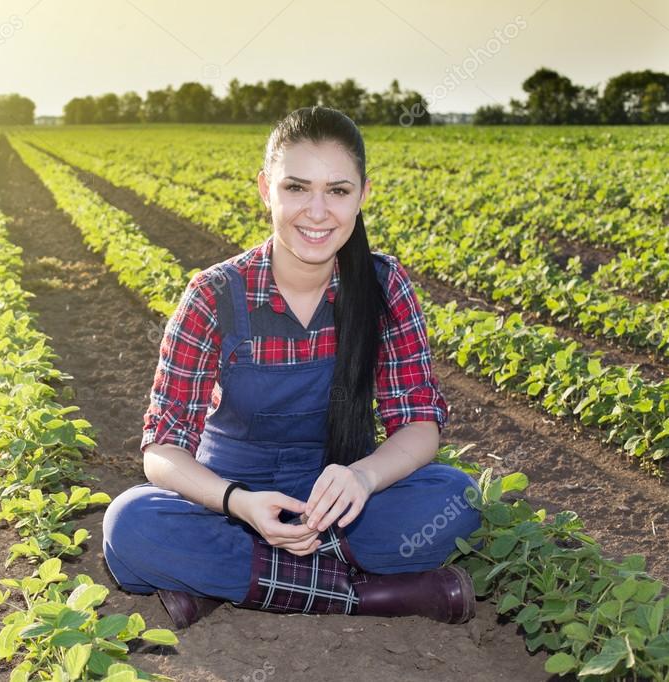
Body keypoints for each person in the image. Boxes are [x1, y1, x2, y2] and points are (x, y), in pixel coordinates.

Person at [101, 106, 482, 630]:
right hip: (231, 497)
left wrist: (362, 477)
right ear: (266, 190)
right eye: (297, 188)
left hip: (336, 500)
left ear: (363, 195)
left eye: (338, 191)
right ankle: (369, 595)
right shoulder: (213, 295)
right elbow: (163, 449)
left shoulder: (383, 286)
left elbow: (419, 422)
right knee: (130, 524)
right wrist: (238, 502)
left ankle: (231, 576)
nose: (318, 211)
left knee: (455, 498)